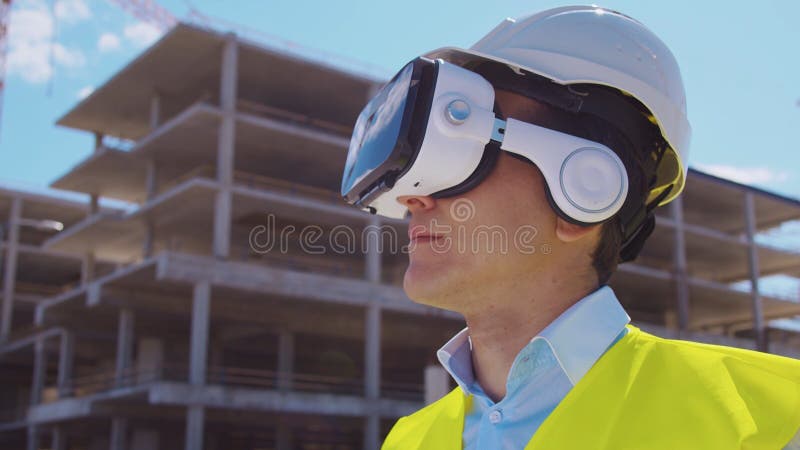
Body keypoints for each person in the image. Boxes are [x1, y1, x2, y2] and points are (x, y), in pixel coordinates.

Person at [339, 5, 800, 449]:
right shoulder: (409, 441)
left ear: (585, 189)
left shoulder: (773, 419)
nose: (412, 197)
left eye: (456, 151)